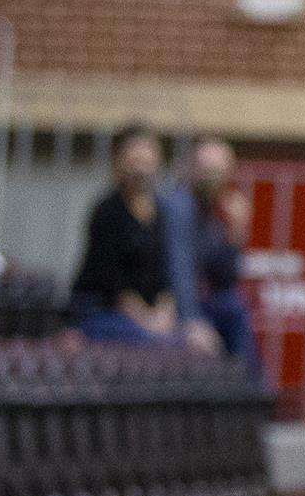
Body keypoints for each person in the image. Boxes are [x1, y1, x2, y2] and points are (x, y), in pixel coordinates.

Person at [70, 122, 210, 351]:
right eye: (135, 161)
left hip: (153, 314)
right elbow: (109, 279)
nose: (142, 170)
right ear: (119, 163)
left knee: (201, 340)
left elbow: (169, 271)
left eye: (147, 162)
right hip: (104, 311)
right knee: (158, 343)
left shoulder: (164, 212)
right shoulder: (107, 211)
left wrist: (165, 310)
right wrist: (146, 319)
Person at [163, 135, 259, 378]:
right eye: (206, 170)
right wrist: (191, 320)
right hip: (165, 303)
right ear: (191, 170)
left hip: (197, 303)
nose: (213, 180)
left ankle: (248, 392)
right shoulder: (180, 206)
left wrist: (237, 233)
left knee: (233, 306)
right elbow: (179, 269)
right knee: (229, 312)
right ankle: (247, 393)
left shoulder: (210, 211)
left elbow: (223, 278)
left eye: (219, 172)